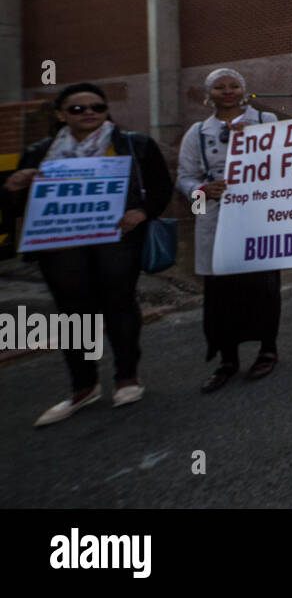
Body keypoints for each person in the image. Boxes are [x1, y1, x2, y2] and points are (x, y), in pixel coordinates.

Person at [2, 82, 173, 426]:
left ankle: (127, 378)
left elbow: (159, 188)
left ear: (107, 110)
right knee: (73, 312)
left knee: (119, 304)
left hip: (116, 241)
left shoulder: (133, 144)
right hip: (59, 247)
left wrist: (142, 212)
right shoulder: (40, 152)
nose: (89, 113)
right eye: (78, 109)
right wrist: (12, 186)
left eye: (97, 107)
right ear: (61, 114)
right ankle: (83, 386)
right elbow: (18, 207)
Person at [175, 68, 281, 392]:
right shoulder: (197, 133)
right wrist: (203, 190)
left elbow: (287, 163)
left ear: (244, 90)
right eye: (219, 87)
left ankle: (267, 349)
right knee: (221, 293)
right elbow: (184, 177)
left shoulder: (266, 122)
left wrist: (255, 142)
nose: (228, 91)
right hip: (217, 217)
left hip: (257, 216)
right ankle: (227, 358)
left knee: (262, 285)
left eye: (234, 85)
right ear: (209, 95)